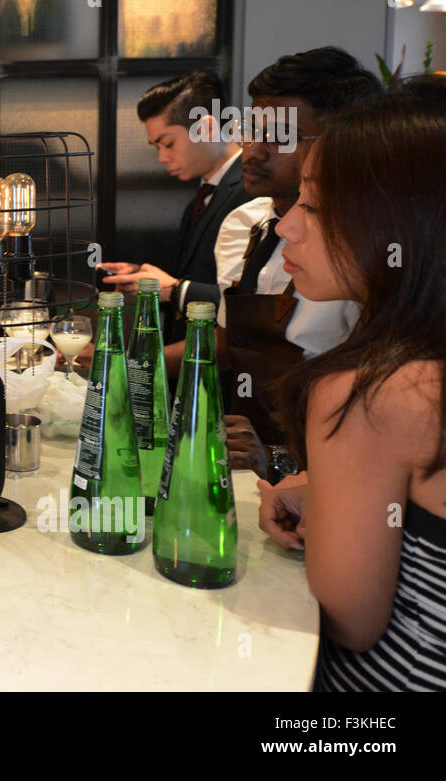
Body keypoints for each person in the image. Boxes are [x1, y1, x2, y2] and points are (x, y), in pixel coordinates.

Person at [258, 79, 446, 691]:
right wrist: (337, 495)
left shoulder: (376, 392)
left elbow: (350, 620)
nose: (288, 226)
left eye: (313, 204)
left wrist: (333, 509)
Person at [212, 48, 382, 451]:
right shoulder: (245, 223)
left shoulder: (365, 259)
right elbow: (228, 344)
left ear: (342, 143)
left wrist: (283, 462)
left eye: (281, 137)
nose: (252, 151)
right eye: (251, 129)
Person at [99, 71, 251, 341]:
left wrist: (174, 290)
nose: (162, 157)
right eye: (157, 146)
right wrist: (143, 279)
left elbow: (252, 303)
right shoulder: (202, 197)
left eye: (168, 143)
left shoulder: (252, 192)